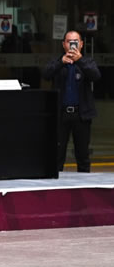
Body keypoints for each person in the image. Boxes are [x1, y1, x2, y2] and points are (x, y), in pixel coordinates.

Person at [42, 30, 101, 173]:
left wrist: (79, 60)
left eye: (75, 42)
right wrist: (61, 62)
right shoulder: (58, 61)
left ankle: (84, 188)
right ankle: (56, 187)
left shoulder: (87, 62)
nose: (72, 45)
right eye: (69, 42)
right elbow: (46, 74)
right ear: (64, 44)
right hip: (61, 114)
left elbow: (96, 76)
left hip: (81, 115)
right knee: (57, 154)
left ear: (81, 44)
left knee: (82, 155)